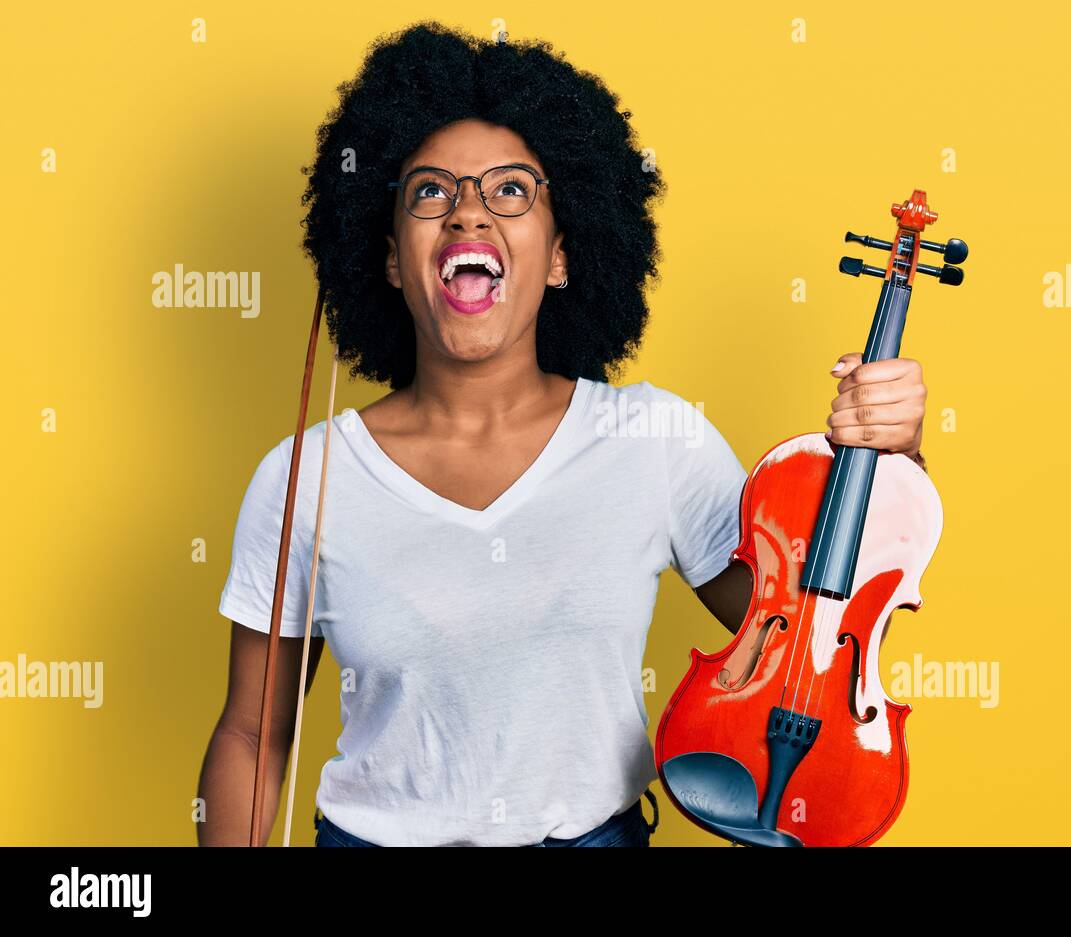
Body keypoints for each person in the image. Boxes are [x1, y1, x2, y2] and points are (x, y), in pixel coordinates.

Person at [196, 22, 928, 847]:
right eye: (430, 192)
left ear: (560, 256)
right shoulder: (306, 477)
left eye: (510, 190)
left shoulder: (654, 440)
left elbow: (812, 626)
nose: (468, 211)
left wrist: (890, 451)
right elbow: (253, 736)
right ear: (394, 257)